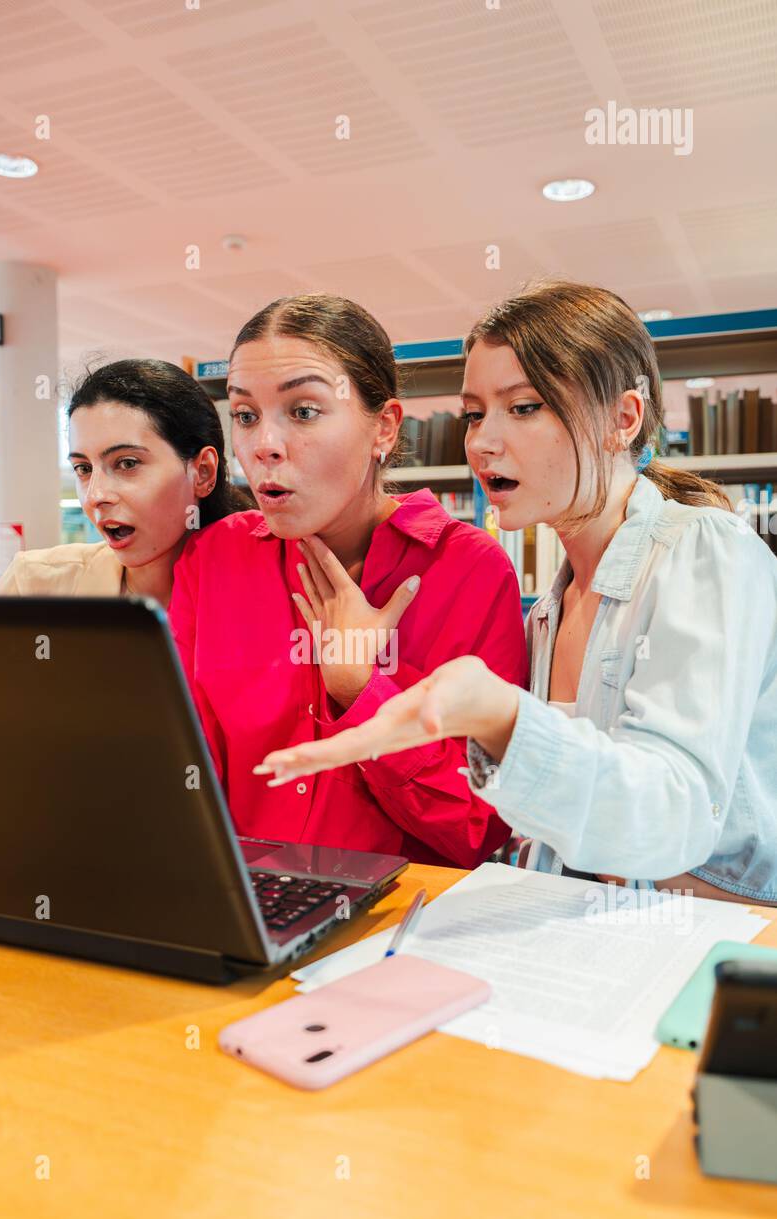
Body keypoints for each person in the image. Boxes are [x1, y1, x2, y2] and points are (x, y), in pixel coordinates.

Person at [254, 280, 777, 905]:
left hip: (718, 950)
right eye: (475, 413)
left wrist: (503, 719)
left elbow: (674, 815)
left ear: (623, 419)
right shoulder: (552, 608)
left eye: (524, 407)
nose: (481, 442)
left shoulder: (702, 549)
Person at [169, 293, 528, 868]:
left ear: (383, 428)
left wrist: (363, 691)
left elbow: (476, 828)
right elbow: (184, 780)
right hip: (249, 909)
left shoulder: (470, 570)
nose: (264, 446)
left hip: (405, 923)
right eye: (245, 415)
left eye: (304, 411)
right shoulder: (215, 559)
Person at [0, 360, 248, 605]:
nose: (95, 496)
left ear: (202, 472)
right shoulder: (32, 587)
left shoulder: (267, 595)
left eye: (127, 463)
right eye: (84, 468)